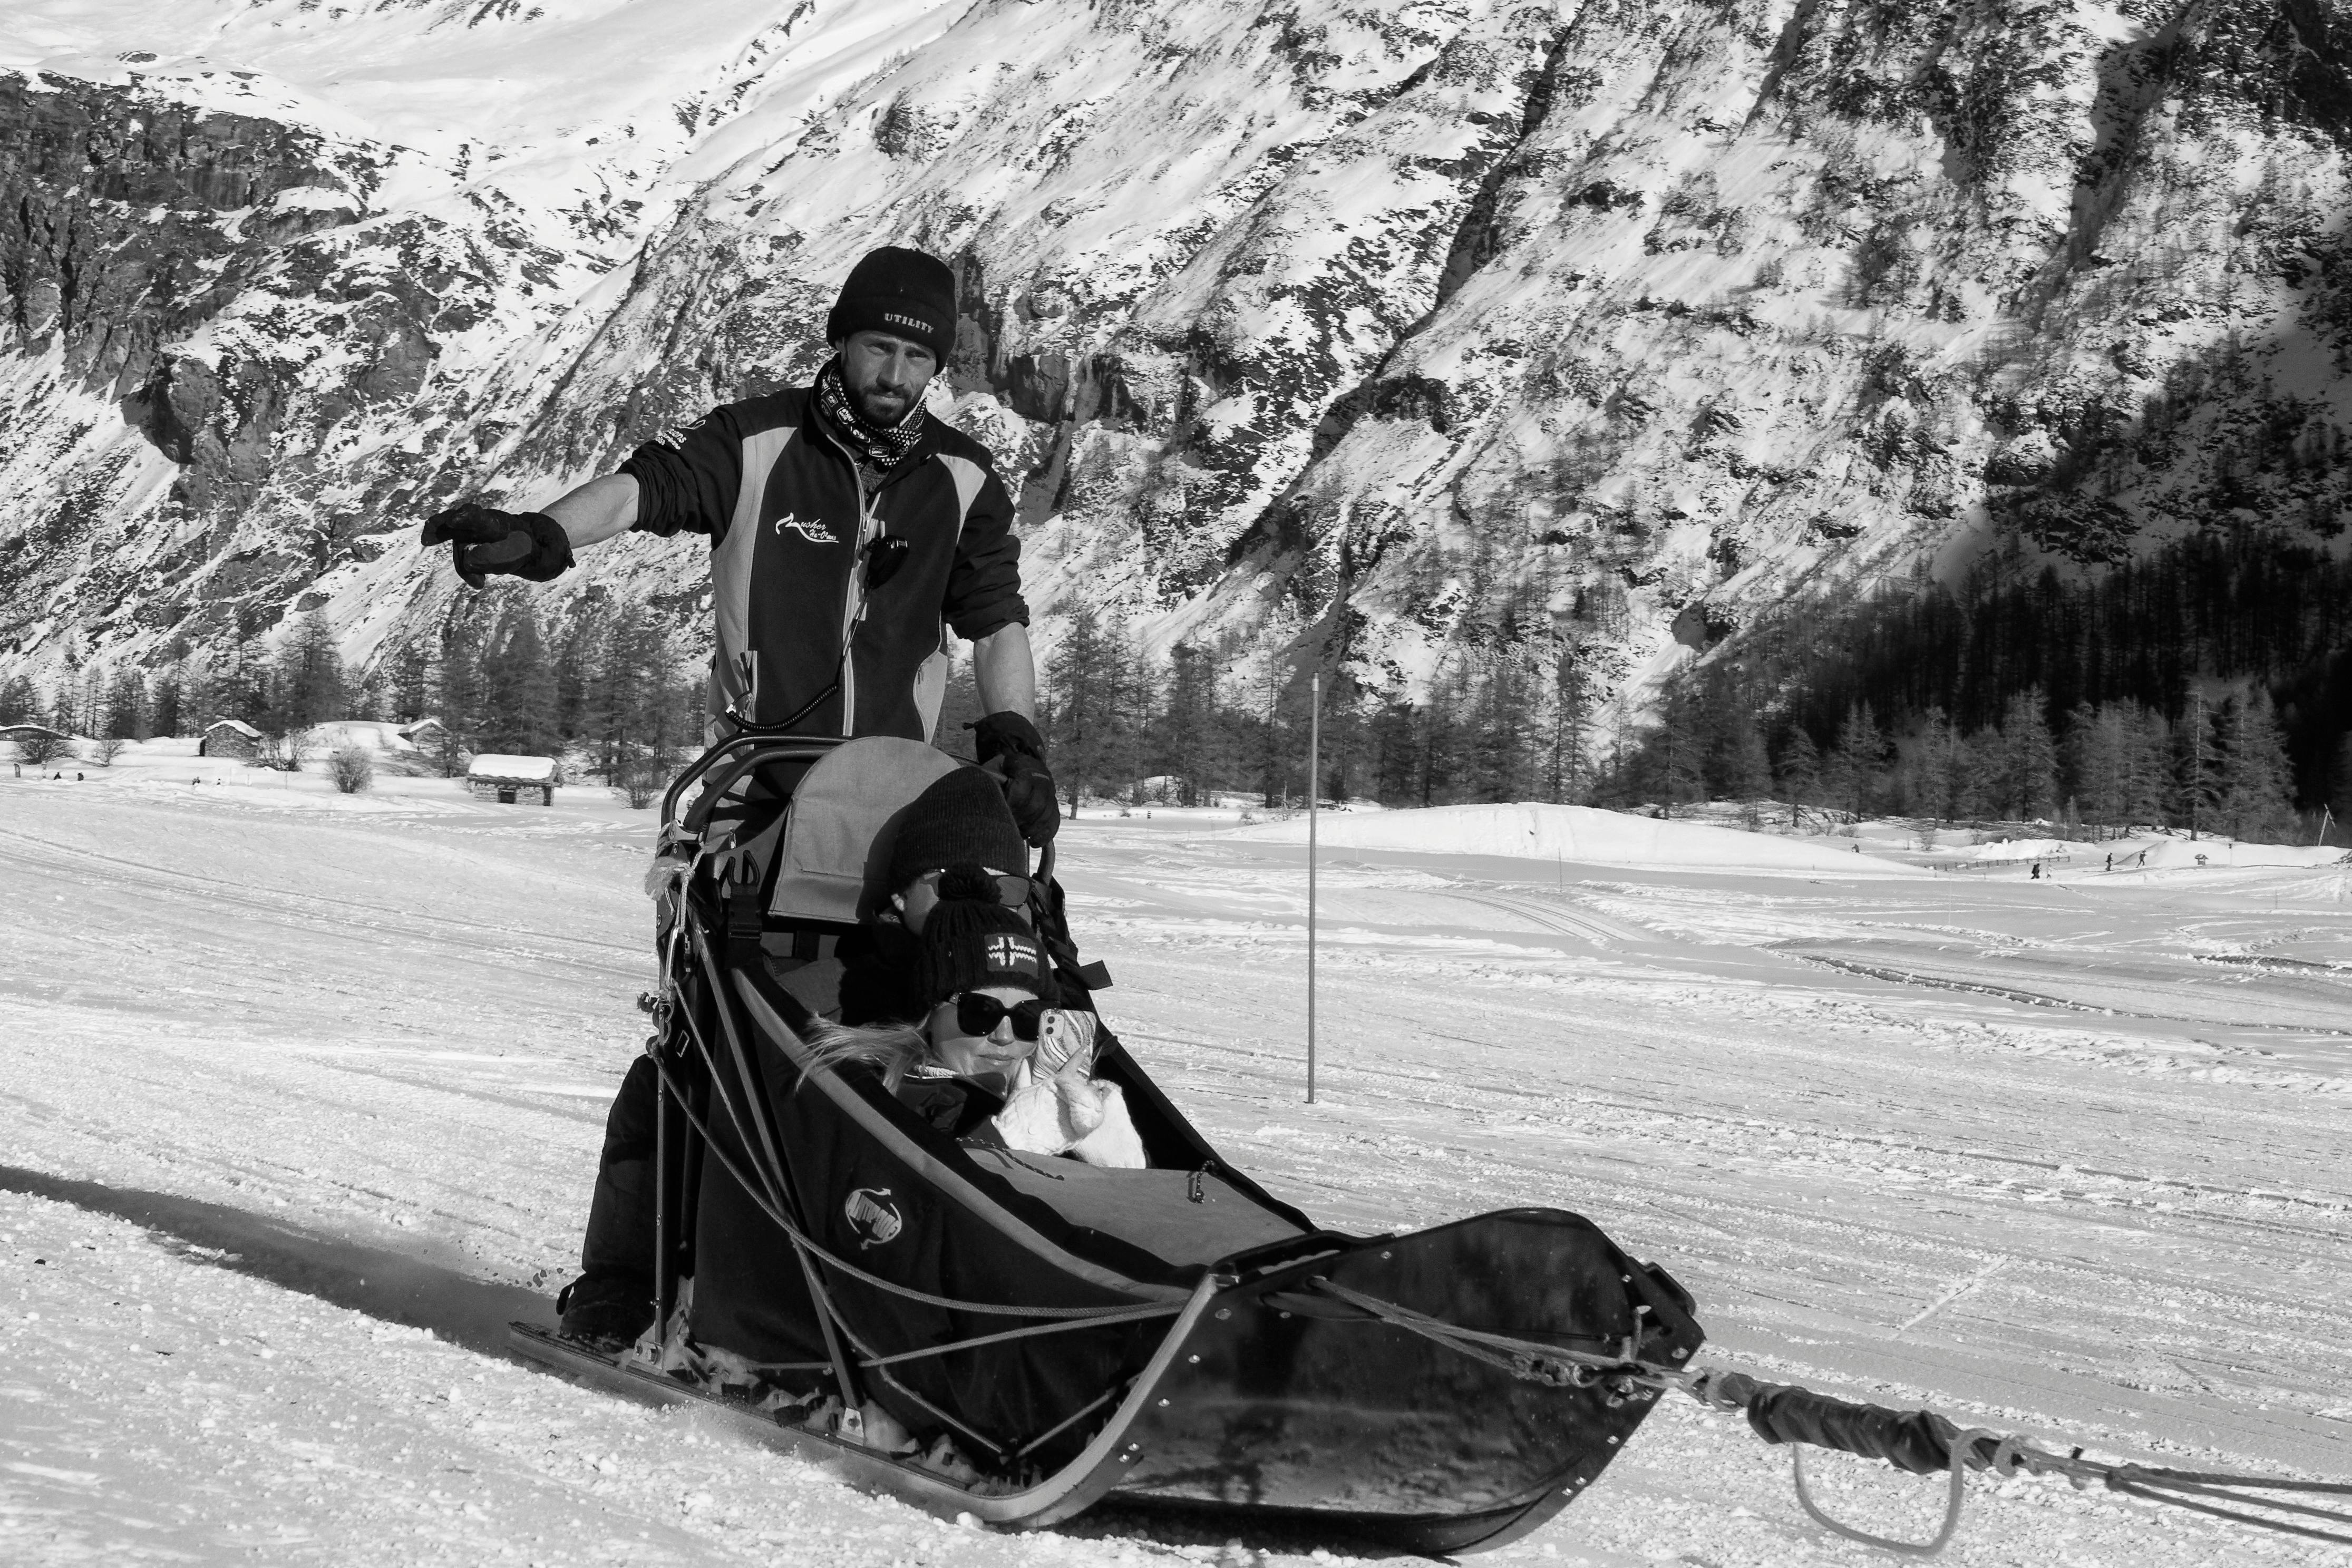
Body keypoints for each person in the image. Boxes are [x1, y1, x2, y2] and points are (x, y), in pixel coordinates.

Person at [417, 244, 1058, 844]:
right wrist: (544, 532)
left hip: (893, 787)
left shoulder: (966, 478)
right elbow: (642, 490)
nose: (894, 374)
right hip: (753, 783)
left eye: (917, 357)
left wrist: (1017, 740)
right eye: (878, 346)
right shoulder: (753, 439)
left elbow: (997, 619)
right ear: (841, 340)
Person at [561, 765, 1077, 1347]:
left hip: (1016, 1226)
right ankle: (622, 1284)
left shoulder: (1037, 991)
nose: (975, 895)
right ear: (900, 891)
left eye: (1001, 884)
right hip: (866, 1229)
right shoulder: (823, 994)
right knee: (667, 1076)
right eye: (946, 880)